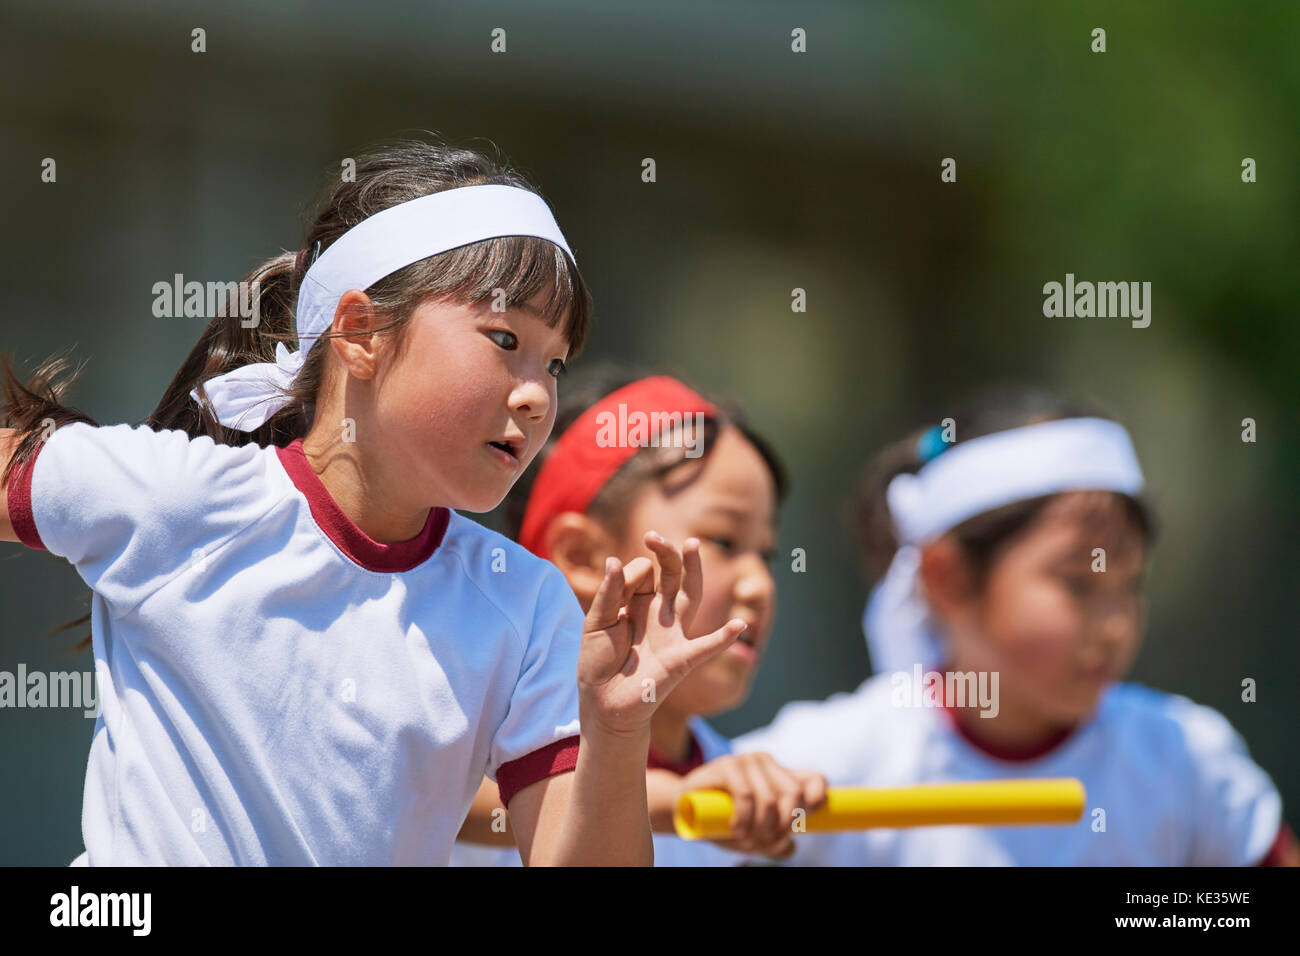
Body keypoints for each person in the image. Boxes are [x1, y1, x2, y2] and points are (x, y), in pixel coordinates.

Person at [0, 136, 746, 866]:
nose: (536, 394)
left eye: (553, 362)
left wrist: (617, 734)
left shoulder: (528, 606)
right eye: (502, 339)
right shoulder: (177, 497)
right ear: (359, 333)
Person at [735, 387, 1297, 865]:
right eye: (1077, 583)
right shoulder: (827, 762)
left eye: (1131, 585)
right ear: (946, 576)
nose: (1116, 627)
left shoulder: (1182, 757)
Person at [451, 365, 826, 866]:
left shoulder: (730, 778)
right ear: (583, 555)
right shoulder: (476, 730)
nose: (760, 586)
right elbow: (447, 792)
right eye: (723, 541)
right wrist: (677, 799)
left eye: (768, 554)